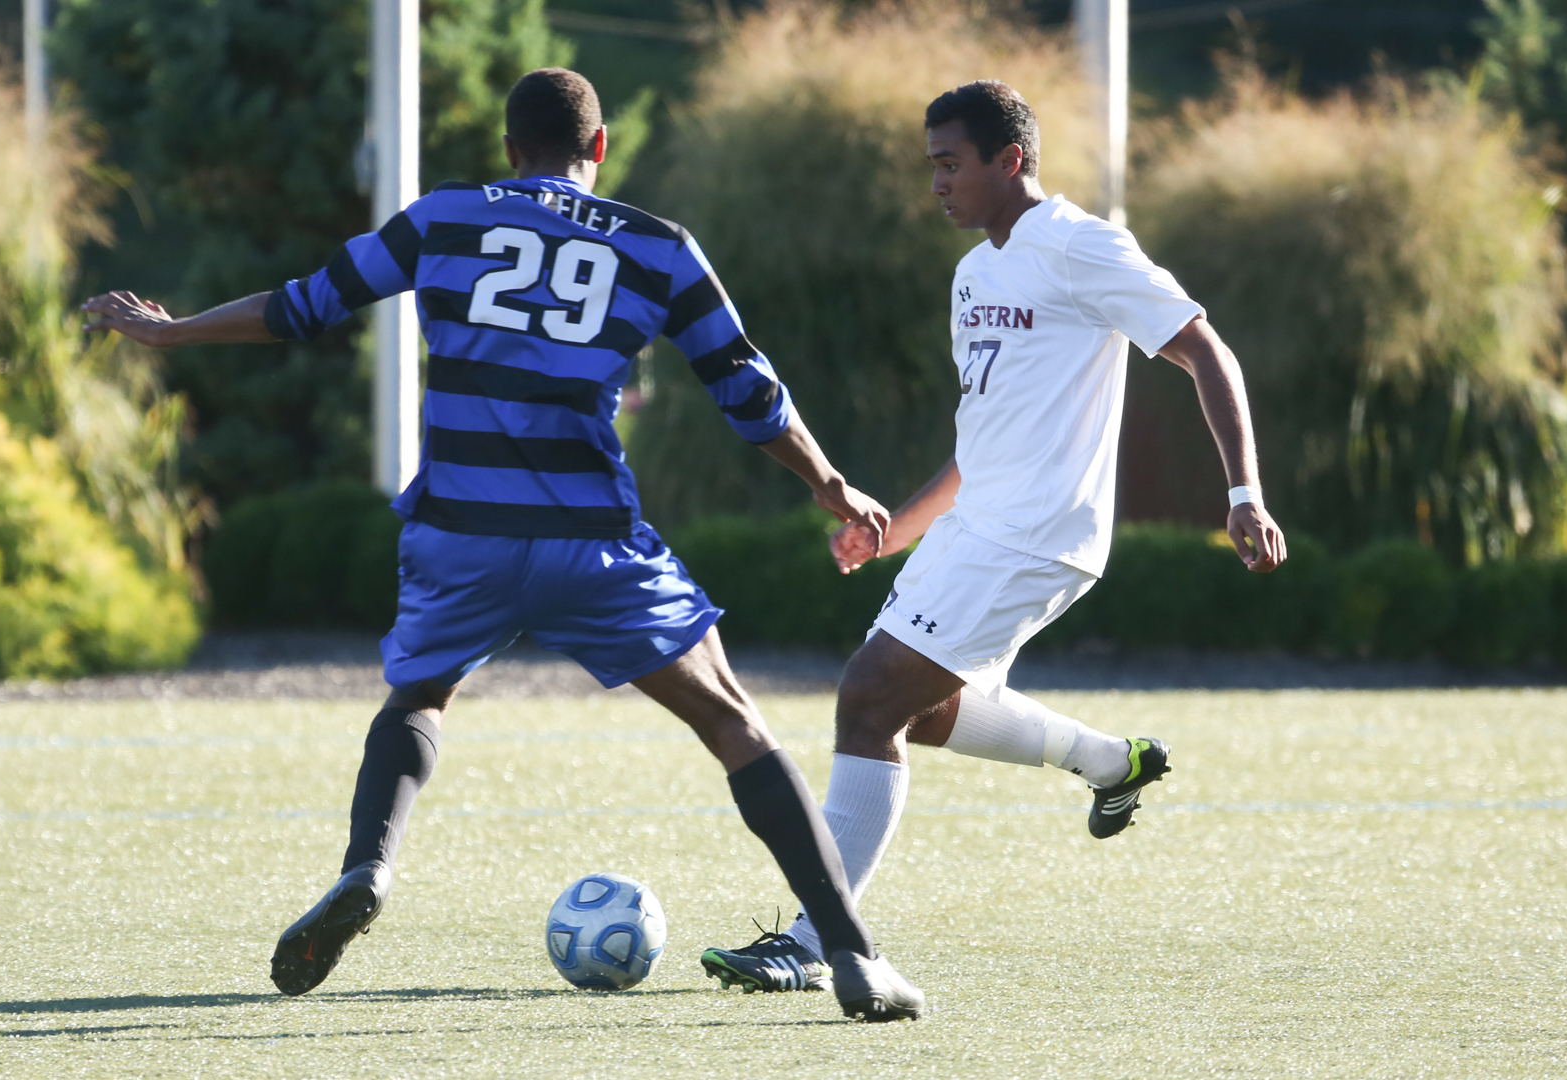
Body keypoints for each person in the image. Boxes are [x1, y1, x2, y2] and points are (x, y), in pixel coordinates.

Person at [81, 68, 924, 1022]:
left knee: (419, 697)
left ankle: (369, 869)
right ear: (598, 147)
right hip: (590, 543)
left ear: (510, 148)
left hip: (460, 534)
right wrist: (829, 484)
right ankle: (852, 956)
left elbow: (305, 304)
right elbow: (746, 389)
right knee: (733, 724)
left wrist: (174, 332)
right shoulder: (658, 246)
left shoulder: (444, 217)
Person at [698, 79, 1287, 991]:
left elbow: (1205, 348)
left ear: (1010, 160)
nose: (936, 183)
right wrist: (897, 531)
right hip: (977, 527)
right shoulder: (973, 274)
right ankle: (1111, 762)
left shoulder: (1082, 245)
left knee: (869, 697)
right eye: (931, 164)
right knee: (923, 710)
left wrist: (1244, 491)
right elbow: (980, 444)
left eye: (950, 164)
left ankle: (818, 944)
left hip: (1039, 533)